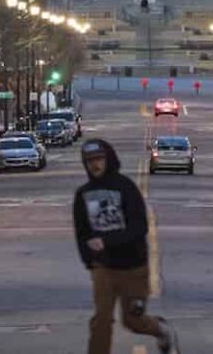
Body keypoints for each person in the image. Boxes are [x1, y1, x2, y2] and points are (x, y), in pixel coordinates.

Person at [73, 139, 178, 354]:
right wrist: (89, 261)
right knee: (101, 321)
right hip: (103, 268)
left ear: (108, 159)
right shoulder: (82, 195)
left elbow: (139, 227)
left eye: (99, 159)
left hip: (133, 266)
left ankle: (160, 330)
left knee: (132, 320)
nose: (95, 165)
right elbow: (81, 233)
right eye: (90, 161)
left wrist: (107, 241)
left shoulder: (125, 187)